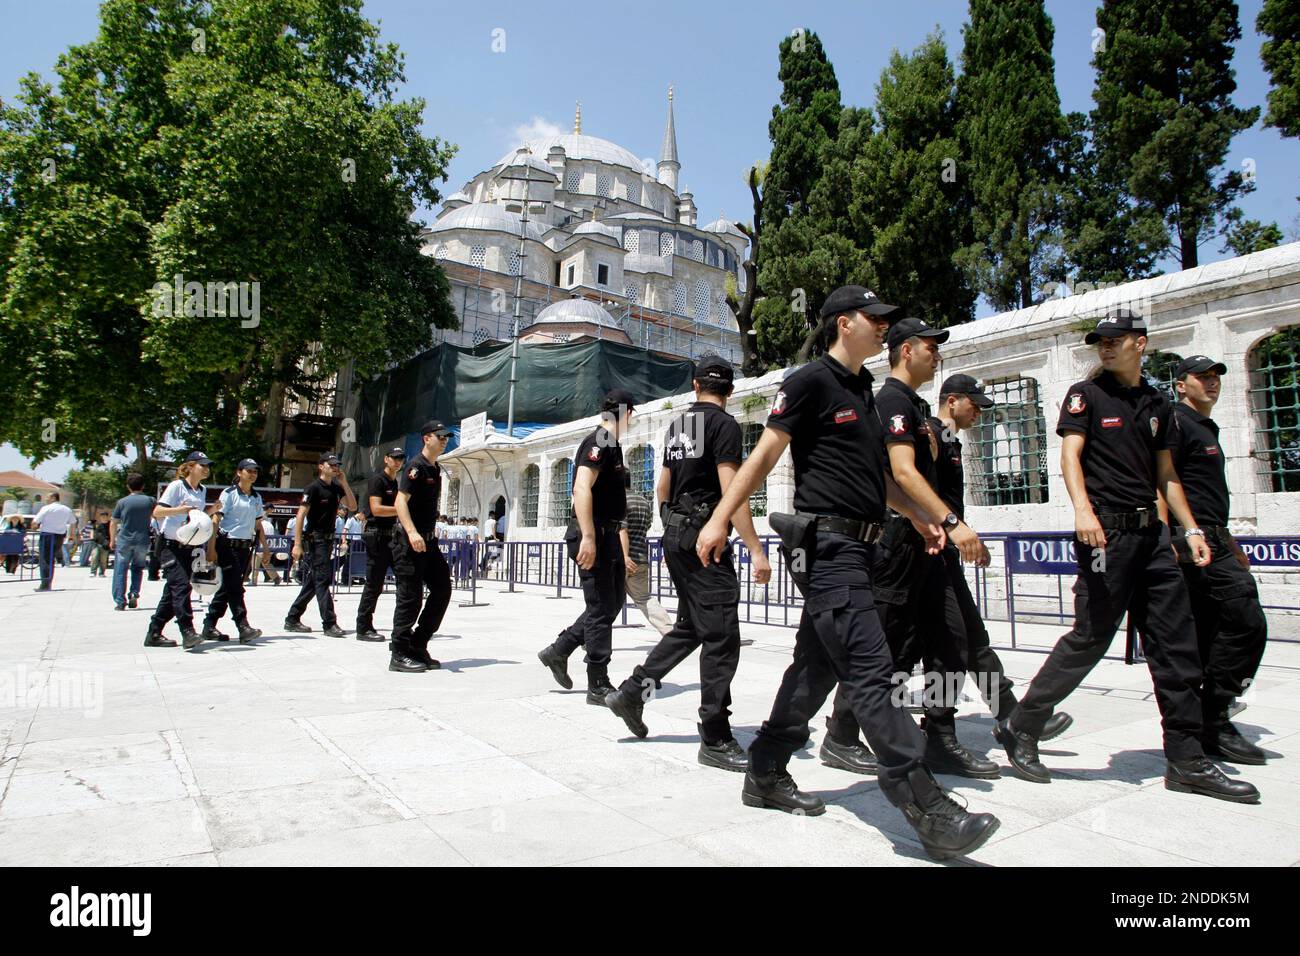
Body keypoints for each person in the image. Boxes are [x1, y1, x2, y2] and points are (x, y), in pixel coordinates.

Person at [695, 286, 1000, 862]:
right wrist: (719, 522)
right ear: (842, 323)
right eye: (875, 318)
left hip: (864, 546)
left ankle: (763, 769)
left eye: (887, 319)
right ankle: (925, 804)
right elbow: (762, 457)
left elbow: (878, 478)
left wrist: (921, 515)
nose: (884, 327)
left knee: (815, 668)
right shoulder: (809, 381)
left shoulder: (864, 390)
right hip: (825, 547)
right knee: (870, 668)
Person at [997, 310, 1259, 804]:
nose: (1106, 347)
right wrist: (1082, 511)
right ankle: (1022, 725)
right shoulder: (1087, 395)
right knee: (1090, 637)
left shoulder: (1158, 403)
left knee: (1176, 647)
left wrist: (1190, 529)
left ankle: (1186, 760)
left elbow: (1167, 475)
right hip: (1105, 536)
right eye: (1101, 341)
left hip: (1153, 539)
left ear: (1141, 343)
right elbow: (1070, 456)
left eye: (1116, 340)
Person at [822, 318, 1000, 779]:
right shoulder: (892, 402)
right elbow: (901, 473)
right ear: (906, 351)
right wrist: (950, 521)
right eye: (930, 347)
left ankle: (940, 735)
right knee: (887, 646)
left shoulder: (918, 407)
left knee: (950, 640)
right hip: (902, 543)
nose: (936, 355)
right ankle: (841, 735)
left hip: (929, 544)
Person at [605, 355, 773, 772]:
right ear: (729, 392)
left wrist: (672, 521)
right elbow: (731, 490)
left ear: (695, 386)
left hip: (676, 536)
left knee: (692, 627)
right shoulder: (725, 426)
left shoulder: (680, 425)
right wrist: (754, 547)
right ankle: (714, 735)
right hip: (705, 540)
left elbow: (663, 484)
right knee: (721, 637)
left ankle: (631, 693)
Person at [931, 375, 1074, 736]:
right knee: (900, 647)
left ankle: (1009, 716)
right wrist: (951, 528)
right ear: (952, 401)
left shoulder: (952, 442)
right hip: (921, 556)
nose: (978, 411)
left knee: (971, 638)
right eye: (973, 403)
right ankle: (847, 724)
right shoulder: (929, 436)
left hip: (944, 554)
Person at [1160, 355, 1270, 765]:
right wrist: (1168, 536)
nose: (1211, 383)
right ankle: (1214, 714)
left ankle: (1210, 720)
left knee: (1212, 631)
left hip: (1215, 539)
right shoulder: (1174, 422)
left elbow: (1207, 493)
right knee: (1245, 619)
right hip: (1190, 540)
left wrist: (1230, 538)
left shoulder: (1205, 427)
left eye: (1214, 377)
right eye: (1201, 377)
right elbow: (1160, 478)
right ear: (1180, 385)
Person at [538, 389, 635, 704]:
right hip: (591, 535)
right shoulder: (600, 441)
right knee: (600, 608)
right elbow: (581, 488)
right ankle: (598, 682)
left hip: (606, 535)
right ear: (626, 413)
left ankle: (560, 650)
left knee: (612, 601)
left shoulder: (612, 444)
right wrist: (590, 537)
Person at [390, 421, 454, 672]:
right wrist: (412, 531)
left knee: (442, 589)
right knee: (410, 598)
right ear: (427, 438)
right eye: (440, 436)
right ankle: (399, 652)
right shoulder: (415, 466)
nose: (445, 440)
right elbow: (400, 502)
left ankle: (418, 644)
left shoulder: (434, 468)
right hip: (409, 542)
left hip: (428, 541)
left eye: (447, 437)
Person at [146, 451, 215, 650]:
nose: (206, 469)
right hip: (171, 545)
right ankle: (188, 631)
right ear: (191, 466)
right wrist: (179, 510)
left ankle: (154, 631)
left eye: (208, 466)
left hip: (189, 546)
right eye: (203, 465)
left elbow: (195, 516)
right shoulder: (177, 486)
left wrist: (210, 512)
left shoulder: (201, 490)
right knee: (181, 587)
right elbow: (157, 512)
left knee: (173, 591)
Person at [284, 453, 356, 637]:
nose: (335, 467)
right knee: (323, 579)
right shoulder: (313, 488)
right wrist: (297, 543)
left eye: (337, 465)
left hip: (328, 539)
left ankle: (292, 618)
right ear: (321, 466)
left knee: (315, 580)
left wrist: (345, 482)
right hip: (315, 539)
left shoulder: (337, 488)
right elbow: (300, 516)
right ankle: (329, 623)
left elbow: (353, 506)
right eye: (331, 464)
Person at [199, 459, 266, 645]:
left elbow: (258, 524)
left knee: (228, 587)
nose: (252, 474)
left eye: (255, 471)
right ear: (239, 472)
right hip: (228, 545)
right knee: (235, 587)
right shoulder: (228, 494)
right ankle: (243, 626)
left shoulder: (256, 497)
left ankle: (209, 624)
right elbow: (215, 520)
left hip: (245, 547)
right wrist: (211, 548)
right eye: (249, 471)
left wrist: (266, 548)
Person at [356, 447, 405, 642]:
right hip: (376, 535)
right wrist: (400, 509)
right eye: (394, 458)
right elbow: (376, 509)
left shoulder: (395, 482)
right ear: (386, 459)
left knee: (404, 577)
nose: (398, 462)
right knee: (374, 584)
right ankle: (363, 626)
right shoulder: (378, 480)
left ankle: (401, 625)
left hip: (391, 536)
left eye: (401, 458)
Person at [618, 488, 674, 637]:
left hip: (623, 560)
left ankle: (586, 636)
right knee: (644, 599)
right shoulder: (643, 501)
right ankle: (670, 632)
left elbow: (621, 530)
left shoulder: (620, 500)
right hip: (641, 557)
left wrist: (624, 556)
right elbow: (647, 526)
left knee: (604, 602)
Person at [110, 473, 155, 610]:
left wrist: (112, 539)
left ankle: (120, 601)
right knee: (138, 568)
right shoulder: (150, 501)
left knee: (120, 570)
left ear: (128, 486)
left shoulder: (122, 502)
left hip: (125, 539)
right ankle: (134, 593)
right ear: (143, 486)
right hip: (143, 539)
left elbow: (113, 522)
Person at [31, 491, 75, 591]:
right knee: (51, 559)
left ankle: (45, 584)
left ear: (54, 498)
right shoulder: (66, 509)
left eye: (48, 497)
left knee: (45, 559)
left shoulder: (47, 508)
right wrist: (72, 535)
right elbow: (73, 522)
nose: (46, 499)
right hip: (59, 536)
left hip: (47, 535)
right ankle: (48, 582)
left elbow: (35, 522)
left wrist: (33, 528)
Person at [90, 510, 111, 576]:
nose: (103, 518)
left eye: (105, 516)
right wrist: (92, 537)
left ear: (107, 517)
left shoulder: (110, 524)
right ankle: (93, 572)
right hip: (96, 544)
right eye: (102, 516)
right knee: (94, 557)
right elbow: (92, 531)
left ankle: (101, 573)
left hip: (105, 544)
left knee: (103, 560)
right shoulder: (97, 525)